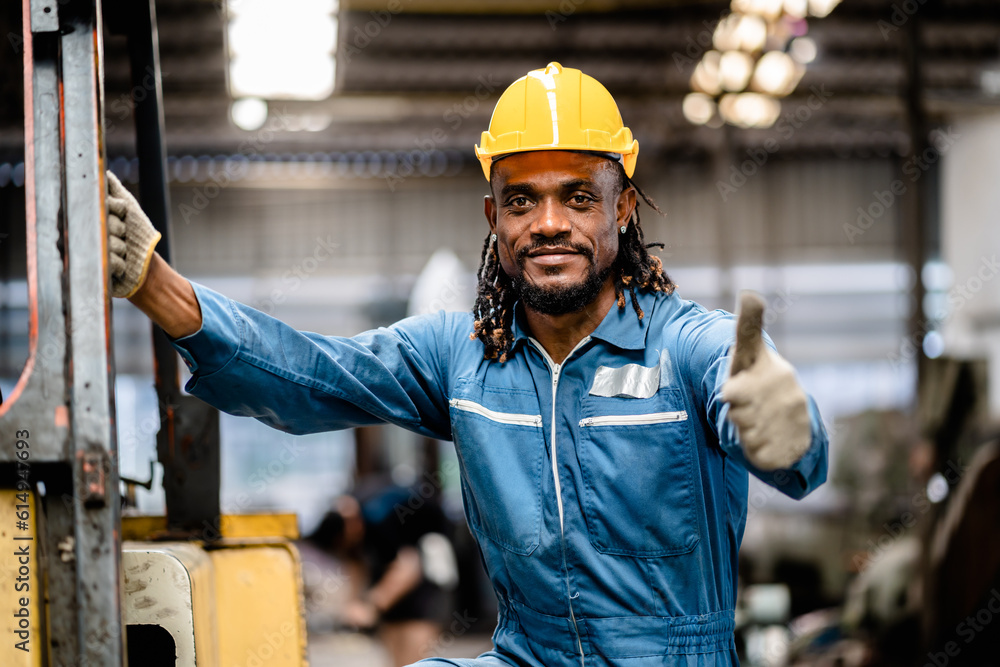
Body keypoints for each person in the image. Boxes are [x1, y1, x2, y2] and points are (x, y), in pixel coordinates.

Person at [106, 62, 828, 666]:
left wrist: (788, 431)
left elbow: (780, 433)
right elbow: (313, 372)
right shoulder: (462, 358)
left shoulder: (692, 346)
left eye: (579, 196)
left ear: (625, 208)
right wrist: (155, 285)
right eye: (523, 199)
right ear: (495, 218)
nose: (549, 223)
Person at [305, 486, 458, 666]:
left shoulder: (378, 517)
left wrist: (371, 606)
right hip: (398, 561)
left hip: (427, 558)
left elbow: (408, 568)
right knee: (396, 648)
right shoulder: (350, 519)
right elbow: (354, 561)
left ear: (351, 525)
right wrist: (353, 603)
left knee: (415, 642)